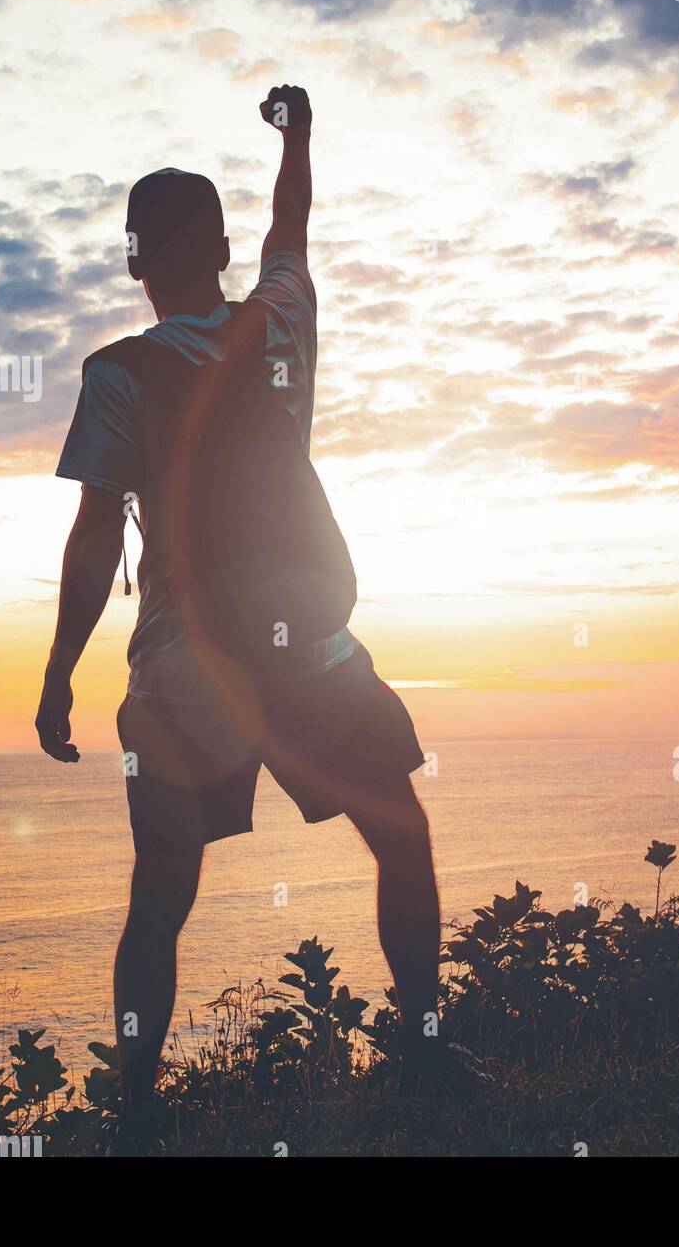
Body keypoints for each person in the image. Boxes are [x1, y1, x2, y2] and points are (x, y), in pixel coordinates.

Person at [35, 86, 442, 1144]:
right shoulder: (281, 320)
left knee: (160, 891)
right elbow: (292, 224)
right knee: (401, 838)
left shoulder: (117, 373)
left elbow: (92, 540)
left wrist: (56, 675)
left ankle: (134, 1113)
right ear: (216, 246)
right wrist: (297, 138)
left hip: (182, 670)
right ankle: (430, 1054)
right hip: (311, 649)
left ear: (133, 262)